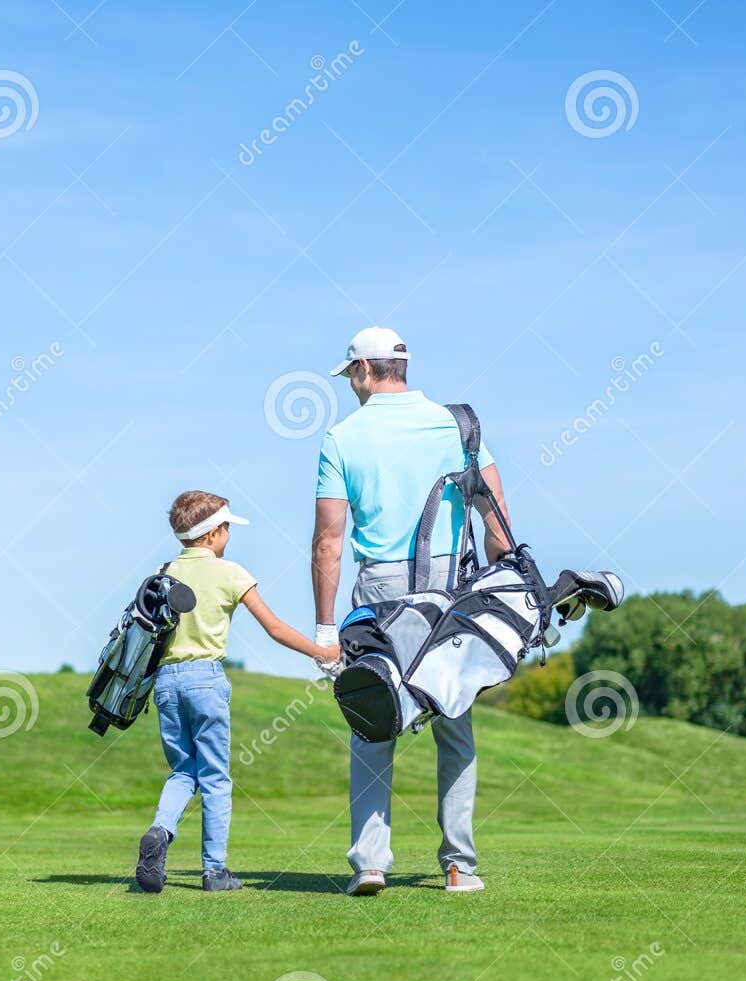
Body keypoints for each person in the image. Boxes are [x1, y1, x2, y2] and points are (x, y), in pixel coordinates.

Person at [310, 326, 514, 897]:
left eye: (351, 374)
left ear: (364, 371)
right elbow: (496, 518)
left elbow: (329, 540)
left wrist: (327, 628)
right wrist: (502, 588)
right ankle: (458, 866)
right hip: (449, 587)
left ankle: (371, 864)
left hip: (380, 589)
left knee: (374, 719)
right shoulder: (457, 425)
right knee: (455, 721)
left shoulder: (342, 436)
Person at [136, 490, 340, 894]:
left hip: (165, 683)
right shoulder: (231, 573)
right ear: (213, 533)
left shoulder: (163, 571)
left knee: (183, 771)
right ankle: (214, 871)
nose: (229, 534)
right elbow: (275, 628)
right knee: (215, 777)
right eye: (227, 527)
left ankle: (161, 829)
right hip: (206, 680)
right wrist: (322, 652)